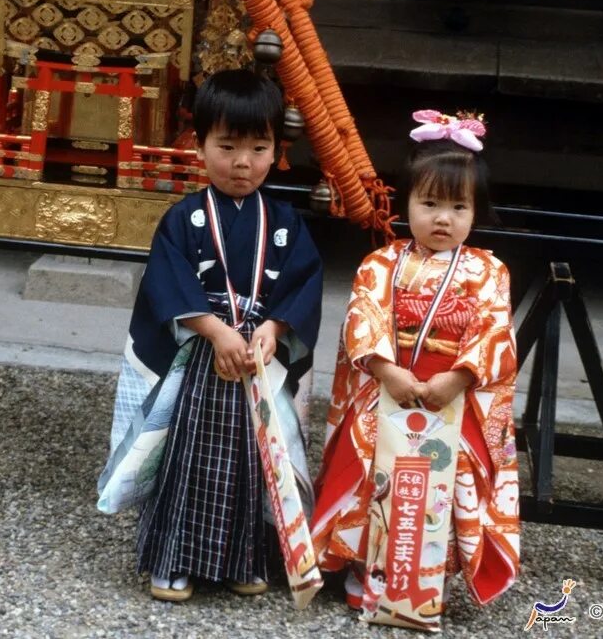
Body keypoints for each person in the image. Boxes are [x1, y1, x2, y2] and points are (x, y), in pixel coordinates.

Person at [98, 69, 323, 601]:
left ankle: (245, 559)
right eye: (226, 146)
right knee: (189, 460)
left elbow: (304, 283)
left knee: (252, 461)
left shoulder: (287, 221)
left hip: (258, 359)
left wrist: (272, 328)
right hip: (205, 354)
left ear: (276, 150)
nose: (242, 163)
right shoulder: (184, 218)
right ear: (197, 145)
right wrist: (216, 331)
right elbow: (165, 282)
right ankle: (173, 560)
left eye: (258, 147)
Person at [311, 110, 520, 617]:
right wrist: (386, 370)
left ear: (476, 212)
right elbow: (363, 317)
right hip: (389, 385)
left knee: (447, 482)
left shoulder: (489, 270)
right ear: (406, 203)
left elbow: (495, 330)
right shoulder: (381, 263)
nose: (442, 218)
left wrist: (458, 377)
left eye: (457, 206)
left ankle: (425, 576)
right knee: (368, 470)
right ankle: (367, 569)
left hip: (454, 394)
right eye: (428, 203)